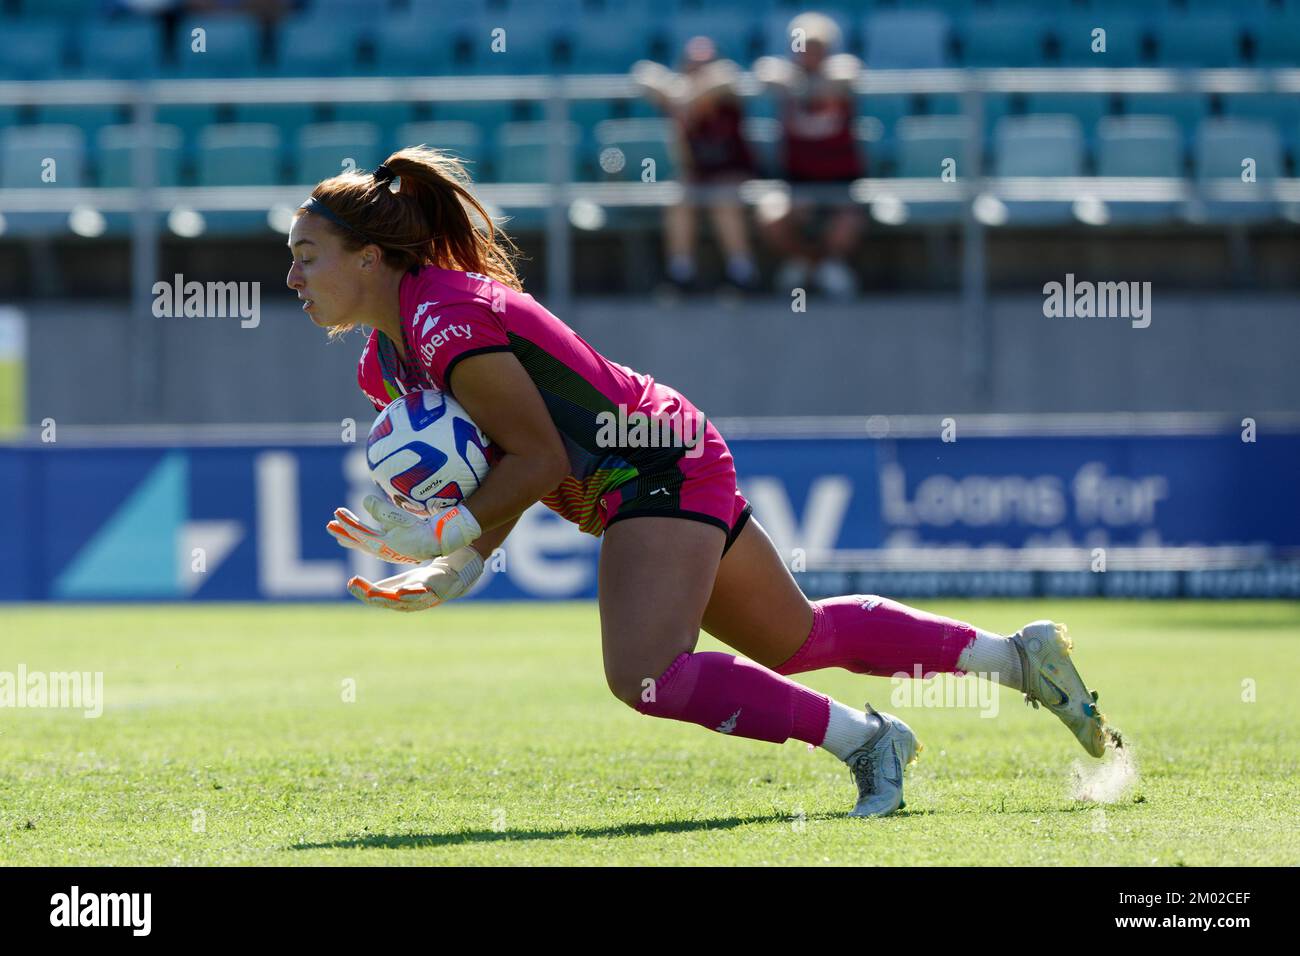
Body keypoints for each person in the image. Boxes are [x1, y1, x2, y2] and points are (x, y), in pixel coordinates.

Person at [287, 146, 1113, 819]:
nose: (292, 279)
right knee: (799, 640)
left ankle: (868, 742)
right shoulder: (386, 359)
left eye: (305, 256)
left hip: (652, 460)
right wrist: (452, 567)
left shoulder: (446, 317)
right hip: (657, 453)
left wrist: (442, 535)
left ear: (369, 256)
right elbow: (512, 460)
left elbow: (538, 460)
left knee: (646, 673)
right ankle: (1016, 658)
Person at [631, 37, 760, 295]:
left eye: (706, 64)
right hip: (697, 174)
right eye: (694, 65)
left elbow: (727, 77)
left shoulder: (726, 91)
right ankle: (681, 275)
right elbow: (641, 74)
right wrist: (682, 95)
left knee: (722, 197)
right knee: (678, 199)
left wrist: (687, 96)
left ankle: (743, 274)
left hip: (735, 173)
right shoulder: (678, 95)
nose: (700, 70)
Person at [754, 12, 866, 300]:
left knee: (847, 224)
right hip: (798, 182)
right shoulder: (786, 78)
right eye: (803, 46)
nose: (809, 53)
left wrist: (813, 85)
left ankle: (827, 266)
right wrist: (798, 81)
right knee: (771, 214)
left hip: (842, 183)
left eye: (817, 47)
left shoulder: (840, 74)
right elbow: (764, 71)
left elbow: (849, 72)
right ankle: (807, 263)